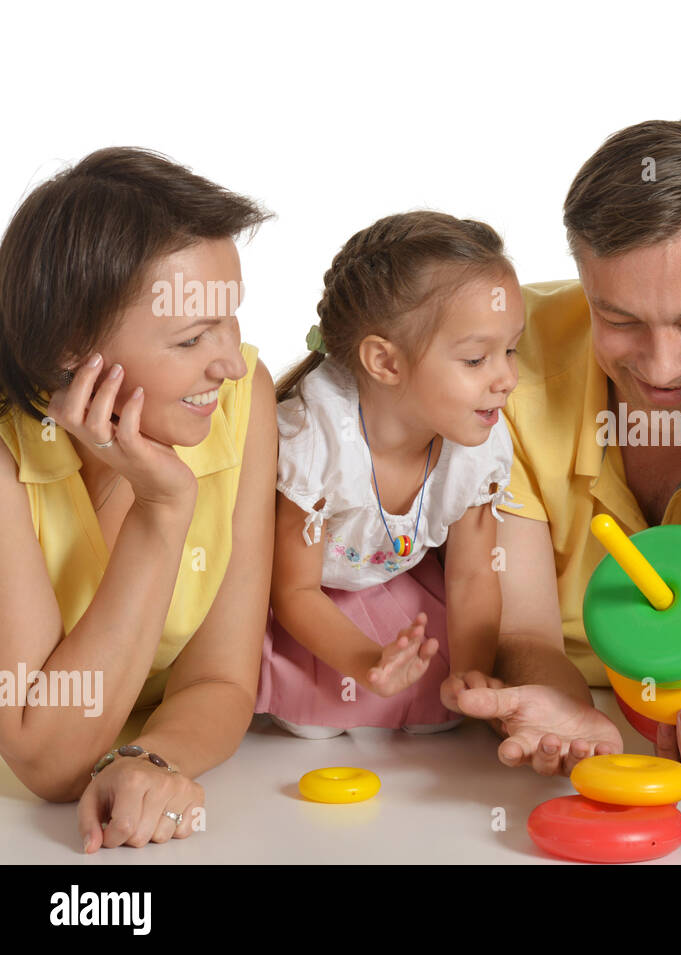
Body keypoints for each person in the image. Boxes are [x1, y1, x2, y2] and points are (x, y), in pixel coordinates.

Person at [449, 118, 681, 791]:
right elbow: (527, 630)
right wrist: (571, 719)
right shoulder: (504, 369)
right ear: (582, 278)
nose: (662, 367)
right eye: (619, 319)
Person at [0, 147, 277, 852]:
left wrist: (149, 759)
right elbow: (49, 758)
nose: (227, 360)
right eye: (191, 336)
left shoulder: (244, 397)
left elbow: (219, 678)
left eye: (230, 317)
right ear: (73, 348)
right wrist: (160, 510)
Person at [256, 211, 525, 736]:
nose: (507, 378)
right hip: (304, 603)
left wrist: (471, 675)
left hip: (396, 585)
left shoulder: (478, 440)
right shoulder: (319, 440)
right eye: (476, 359)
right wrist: (366, 664)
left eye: (511, 350)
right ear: (386, 362)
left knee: (439, 707)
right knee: (315, 718)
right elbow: (296, 592)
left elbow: (471, 576)